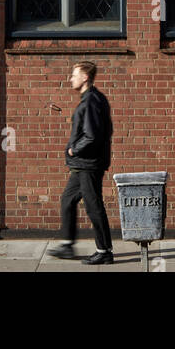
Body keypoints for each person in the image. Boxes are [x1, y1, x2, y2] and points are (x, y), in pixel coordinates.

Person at [47, 61, 114, 264]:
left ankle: (104, 251)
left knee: (93, 206)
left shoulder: (92, 101)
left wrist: (74, 149)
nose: (71, 79)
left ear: (85, 77)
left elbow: (92, 135)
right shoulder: (90, 99)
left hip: (88, 164)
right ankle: (67, 245)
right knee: (68, 200)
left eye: (74, 75)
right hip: (82, 164)